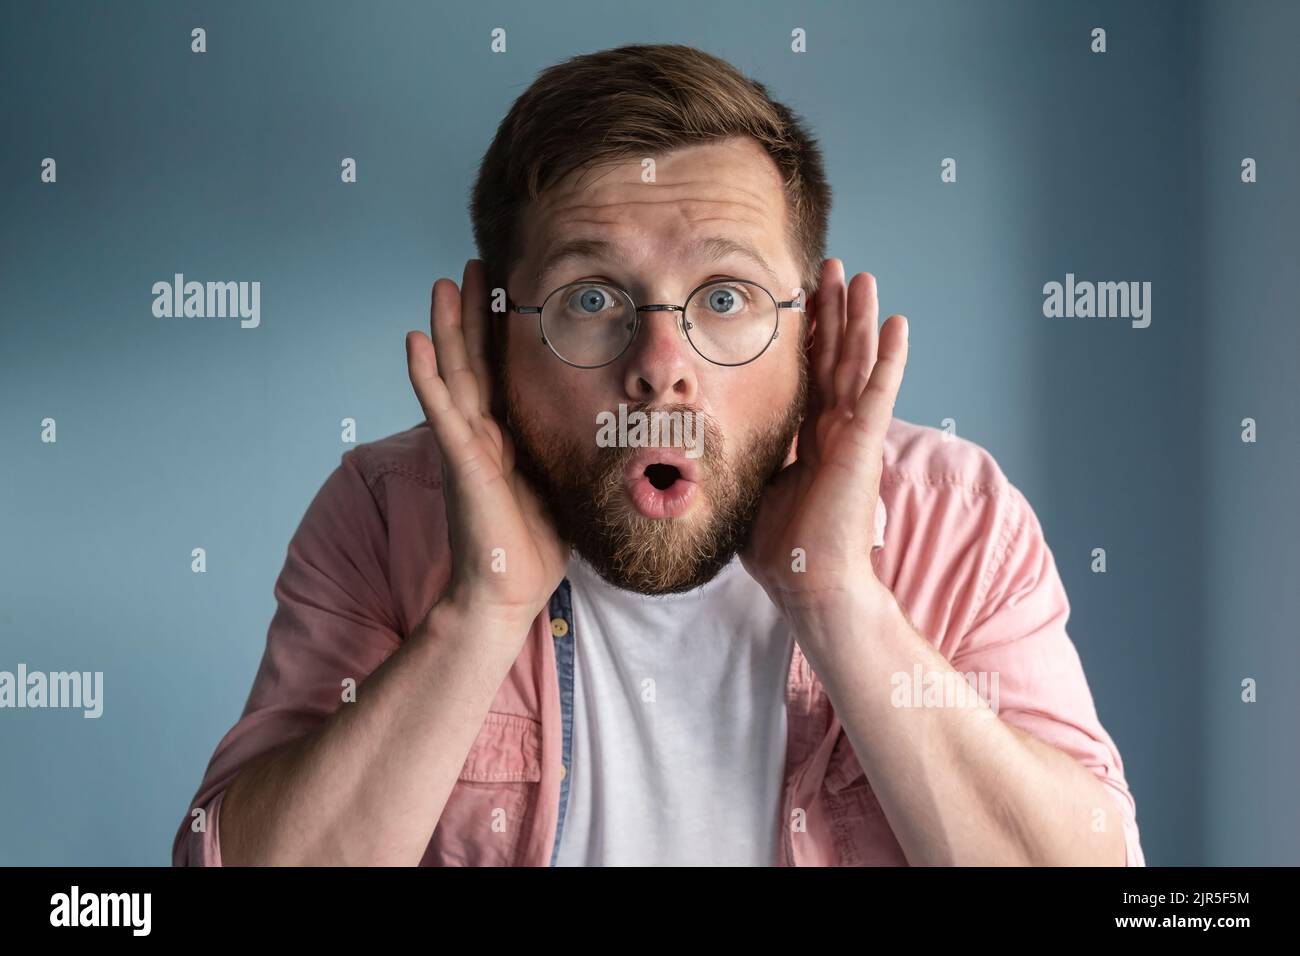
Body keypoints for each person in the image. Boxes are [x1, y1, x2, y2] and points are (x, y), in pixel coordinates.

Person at [173, 43, 1143, 867]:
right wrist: (480, 610)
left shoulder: (953, 515)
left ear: (808, 333)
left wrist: (839, 596)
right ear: (493, 329)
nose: (659, 368)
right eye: (590, 297)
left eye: (724, 296)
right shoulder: (387, 510)